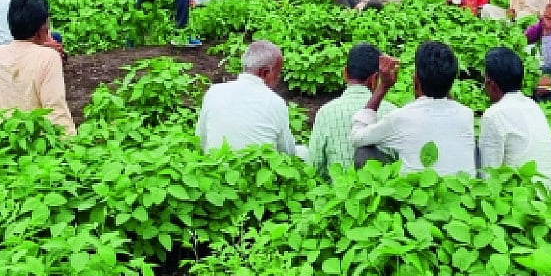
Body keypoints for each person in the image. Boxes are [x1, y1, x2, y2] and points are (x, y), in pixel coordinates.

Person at [350, 41, 476, 176]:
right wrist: (442, 83)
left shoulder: (402, 117)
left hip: (415, 193)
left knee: (364, 152)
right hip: (462, 192)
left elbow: (356, 137)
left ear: (415, 80)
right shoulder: (467, 115)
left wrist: (383, 86)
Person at [0, 0, 76, 135]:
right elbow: (56, 111)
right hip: (36, 139)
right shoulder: (48, 57)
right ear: (42, 28)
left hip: (0, 138)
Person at [307, 43, 398, 175]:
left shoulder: (326, 113)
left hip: (337, 192)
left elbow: (315, 166)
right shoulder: (392, 112)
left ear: (345, 73)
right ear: (375, 79)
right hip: (382, 191)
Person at [478, 47, 551, 190]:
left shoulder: (493, 115)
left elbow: (488, 176)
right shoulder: (533, 106)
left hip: (522, 200)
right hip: (550, 196)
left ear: (491, 84)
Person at [196, 40, 295, 154]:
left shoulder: (214, 92)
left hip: (214, 166)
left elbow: (201, 139)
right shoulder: (275, 103)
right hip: (258, 169)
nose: (277, 80)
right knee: (303, 152)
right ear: (265, 72)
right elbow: (287, 153)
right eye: (277, 75)